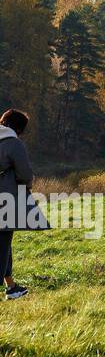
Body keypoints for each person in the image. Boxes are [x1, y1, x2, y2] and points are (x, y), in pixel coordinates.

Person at [0, 109, 37, 300]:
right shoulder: (14, 144)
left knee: (5, 245)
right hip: (5, 201)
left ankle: (12, 287)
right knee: (3, 242)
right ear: (19, 128)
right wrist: (27, 186)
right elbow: (25, 174)